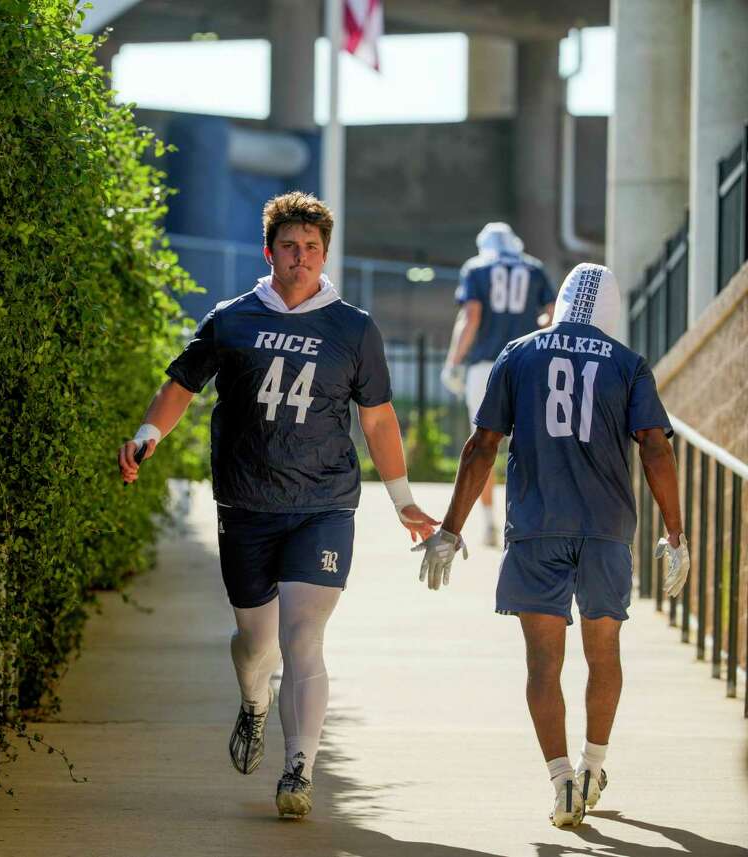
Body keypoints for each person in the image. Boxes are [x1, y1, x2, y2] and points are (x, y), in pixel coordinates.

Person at [118, 192, 438, 819]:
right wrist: (147, 435)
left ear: (325, 254)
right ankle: (254, 701)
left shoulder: (354, 328)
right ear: (269, 252)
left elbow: (377, 420)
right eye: (290, 247)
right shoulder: (232, 319)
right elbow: (181, 385)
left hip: (323, 504)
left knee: (302, 637)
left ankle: (299, 769)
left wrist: (402, 501)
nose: (301, 258)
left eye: (312, 248)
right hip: (247, 503)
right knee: (254, 642)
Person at [414, 263, 690, 827]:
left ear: (560, 302)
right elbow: (656, 448)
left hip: (537, 526)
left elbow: (482, 445)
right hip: (606, 529)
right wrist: (676, 532)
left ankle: (562, 781)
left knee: (543, 662)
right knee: (603, 652)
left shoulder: (518, 353)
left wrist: (451, 529)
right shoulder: (628, 363)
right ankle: (593, 767)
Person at [441, 223, 556, 547]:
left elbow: (471, 317)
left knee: (483, 443)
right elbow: (552, 314)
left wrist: (453, 360)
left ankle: (489, 521)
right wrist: (533, 329)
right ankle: (524, 519)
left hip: (486, 366)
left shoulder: (476, 269)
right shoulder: (533, 268)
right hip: (527, 363)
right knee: (528, 443)